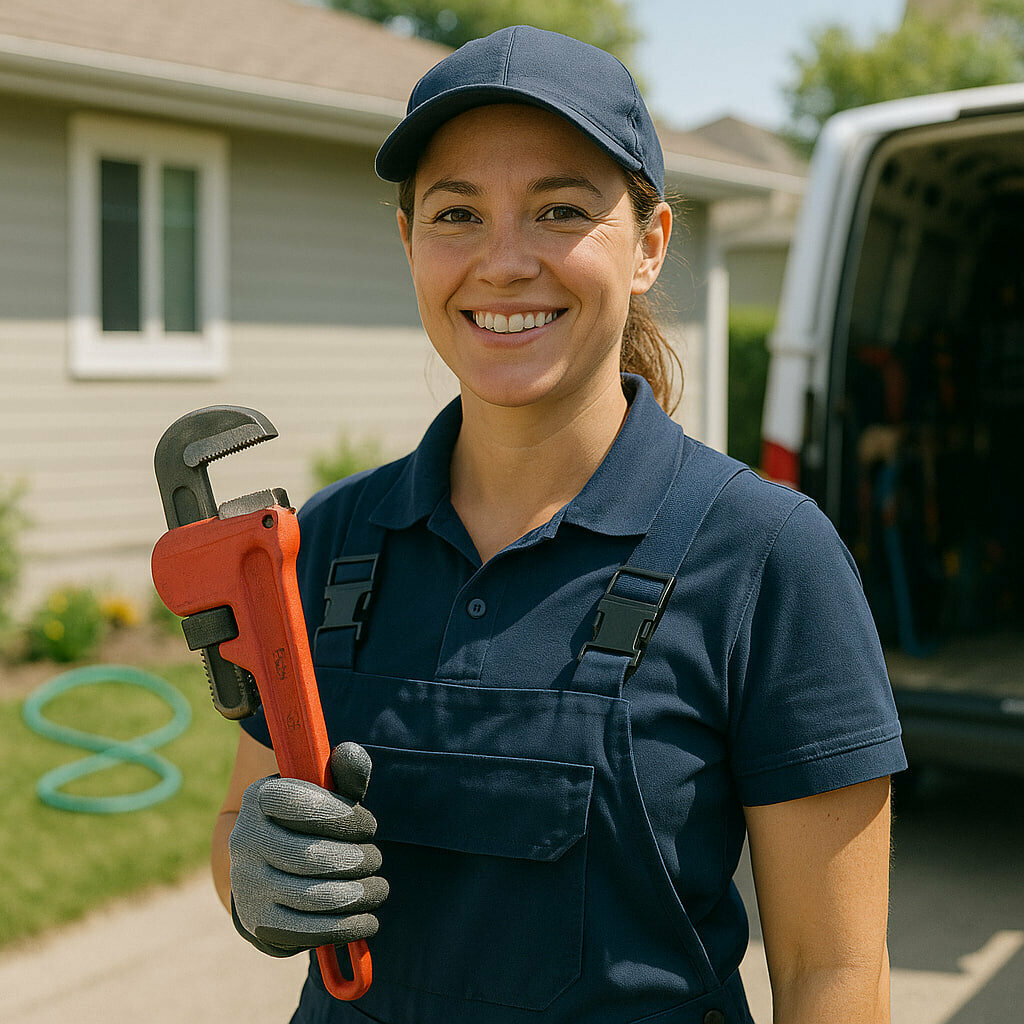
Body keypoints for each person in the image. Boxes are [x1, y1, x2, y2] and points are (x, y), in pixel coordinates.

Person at [212, 25, 906, 1024]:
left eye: (559, 211)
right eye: (456, 213)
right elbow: (242, 815)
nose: (503, 263)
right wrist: (255, 878)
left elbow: (833, 973)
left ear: (649, 244)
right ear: (408, 242)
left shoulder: (766, 557)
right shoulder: (328, 541)